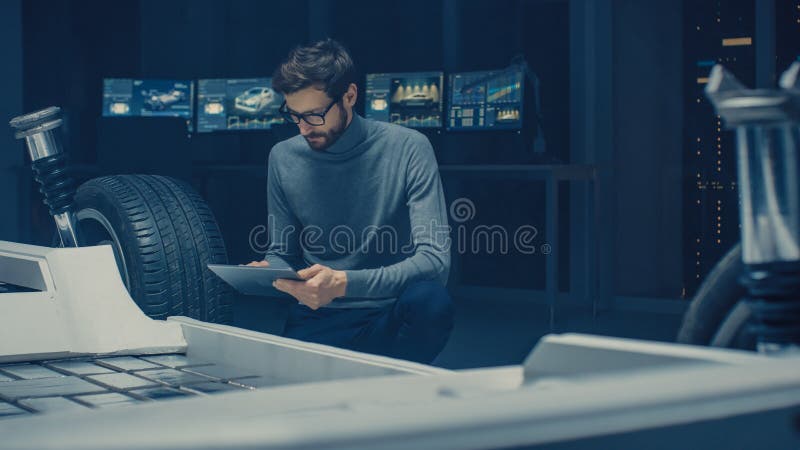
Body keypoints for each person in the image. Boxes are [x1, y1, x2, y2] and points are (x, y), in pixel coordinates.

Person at [245, 39, 453, 364]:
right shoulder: (283, 157)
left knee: (431, 301)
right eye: (294, 115)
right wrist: (266, 271)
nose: (303, 129)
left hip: (388, 312)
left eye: (314, 115)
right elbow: (281, 252)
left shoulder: (409, 147)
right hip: (317, 315)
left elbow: (435, 261)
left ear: (350, 96)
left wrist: (343, 283)